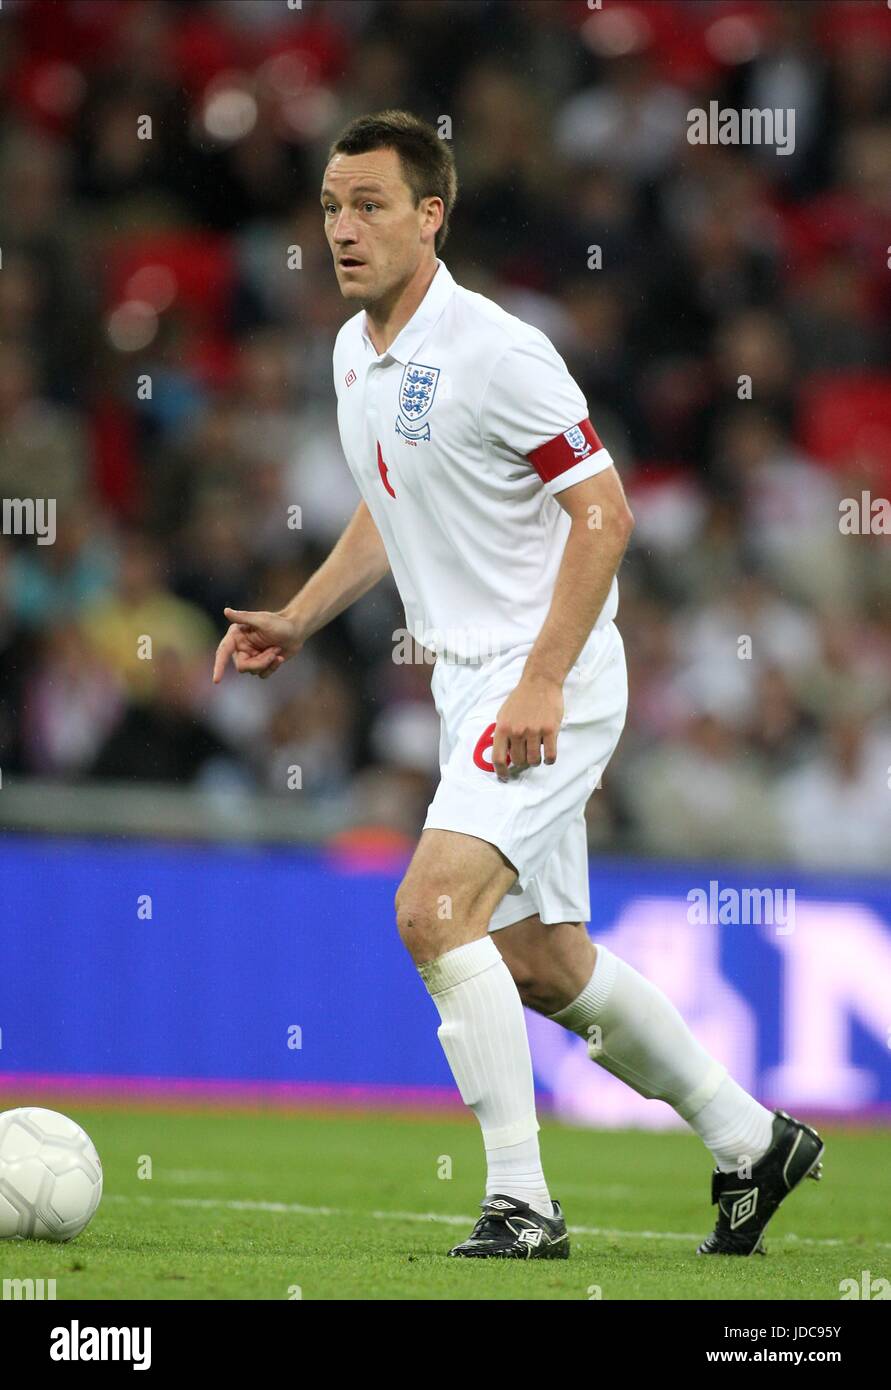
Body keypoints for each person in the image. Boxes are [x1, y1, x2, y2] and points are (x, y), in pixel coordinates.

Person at [213, 110, 822, 1259]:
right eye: (333, 208)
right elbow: (394, 506)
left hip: (548, 670)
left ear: (432, 215)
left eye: (372, 206)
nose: (344, 229)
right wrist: (299, 613)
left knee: (431, 911)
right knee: (543, 962)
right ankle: (753, 1140)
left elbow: (607, 513)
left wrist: (541, 681)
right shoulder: (355, 354)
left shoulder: (498, 349)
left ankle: (521, 1203)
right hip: (466, 682)